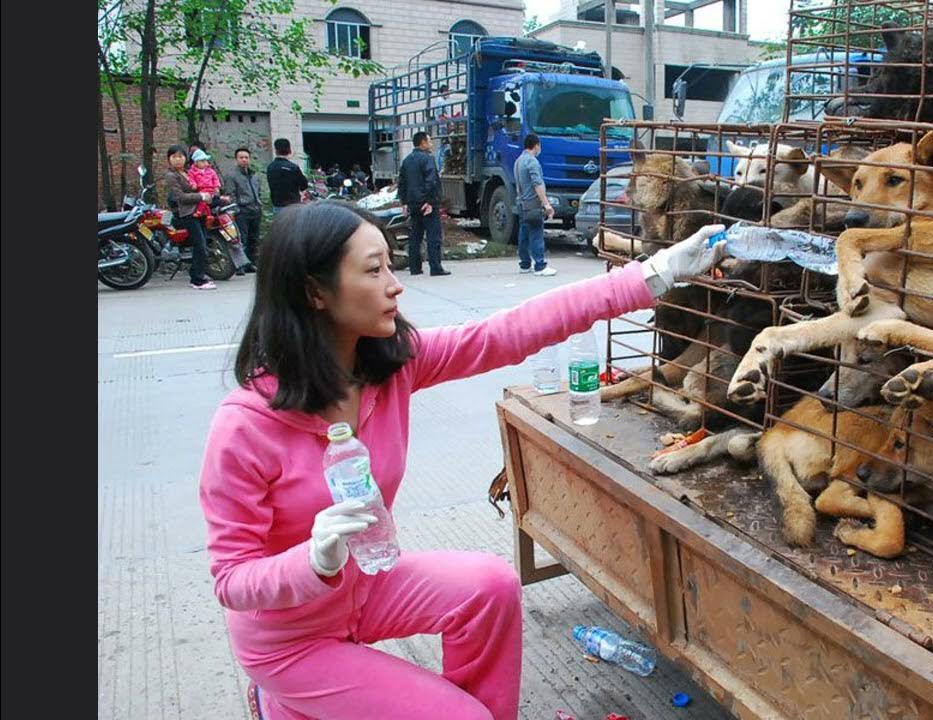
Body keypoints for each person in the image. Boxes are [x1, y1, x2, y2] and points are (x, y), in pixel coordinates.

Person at [199, 200, 725, 720]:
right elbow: (231, 580)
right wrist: (311, 561)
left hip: (366, 586)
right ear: (315, 291)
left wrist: (656, 273)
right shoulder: (245, 426)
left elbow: (507, 333)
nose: (395, 285)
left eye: (391, 264)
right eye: (374, 270)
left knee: (491, 587)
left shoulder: (391, 366)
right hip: (290, 639)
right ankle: (279, 702)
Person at [163, 145, 217, 290]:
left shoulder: (189, 172)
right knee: (200, 245)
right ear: (169, 159)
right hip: (187, 213)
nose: (178, 160)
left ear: (186, 158)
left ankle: (199, 275)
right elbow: (180, 196)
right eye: (174, 157)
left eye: (180, 156)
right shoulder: (171, 176)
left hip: (201, 212)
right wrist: (201, 196)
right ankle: (197, 280)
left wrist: (210, 193)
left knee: (202, 245)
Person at [397, 132, 449, 276]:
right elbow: (431, 181)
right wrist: (430, 201)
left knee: (415, 236)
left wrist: (404, 202)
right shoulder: (428, 159)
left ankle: (415, 268)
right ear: (423, 143)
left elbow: (402, 183)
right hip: (427, 204)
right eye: (429, 141)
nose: (431, 144)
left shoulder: (407, 160)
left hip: (413, 204)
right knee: (433, 236)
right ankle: (435, 267)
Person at [514, 133, 556, 276]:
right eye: (539, 146)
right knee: (536, 233)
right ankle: (540, 266)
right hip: (532, 204)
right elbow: (538, 184)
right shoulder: (532, 162)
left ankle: (525, 264)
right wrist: (546, 204)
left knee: (524, 234)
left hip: (521, 203)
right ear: (536, 145)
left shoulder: (518, 161)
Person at [227, 147, 264, 266]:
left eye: (246, 157)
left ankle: (251, 263)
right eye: (241, 157)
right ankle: (241, 265)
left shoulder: (254, 175)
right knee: (242, 239)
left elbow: (258, 191)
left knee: (254, 238)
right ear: (236, 159)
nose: (244, 160)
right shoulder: (232, 175)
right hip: (242, 210)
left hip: (255, 209)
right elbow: (230, 194)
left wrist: (259, 204)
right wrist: (236, 209)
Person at [267, 138, 309, 209]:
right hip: (293, 207)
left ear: (276, 151)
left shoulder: (270, 167)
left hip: (277, 206)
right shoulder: (293, 167)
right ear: (289, 150)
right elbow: (304, 185)